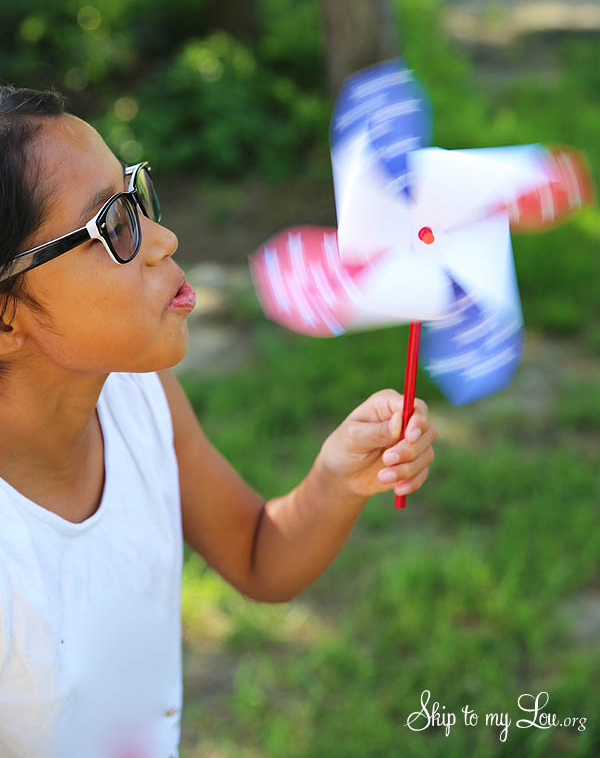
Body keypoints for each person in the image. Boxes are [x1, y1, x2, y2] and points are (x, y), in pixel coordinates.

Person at [0, 86, 437, 757]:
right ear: (8, 318)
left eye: (138, 196)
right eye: (115, 225)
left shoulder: (141, 398)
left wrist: (335, 480)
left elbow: (260, 555)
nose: (164, 239)